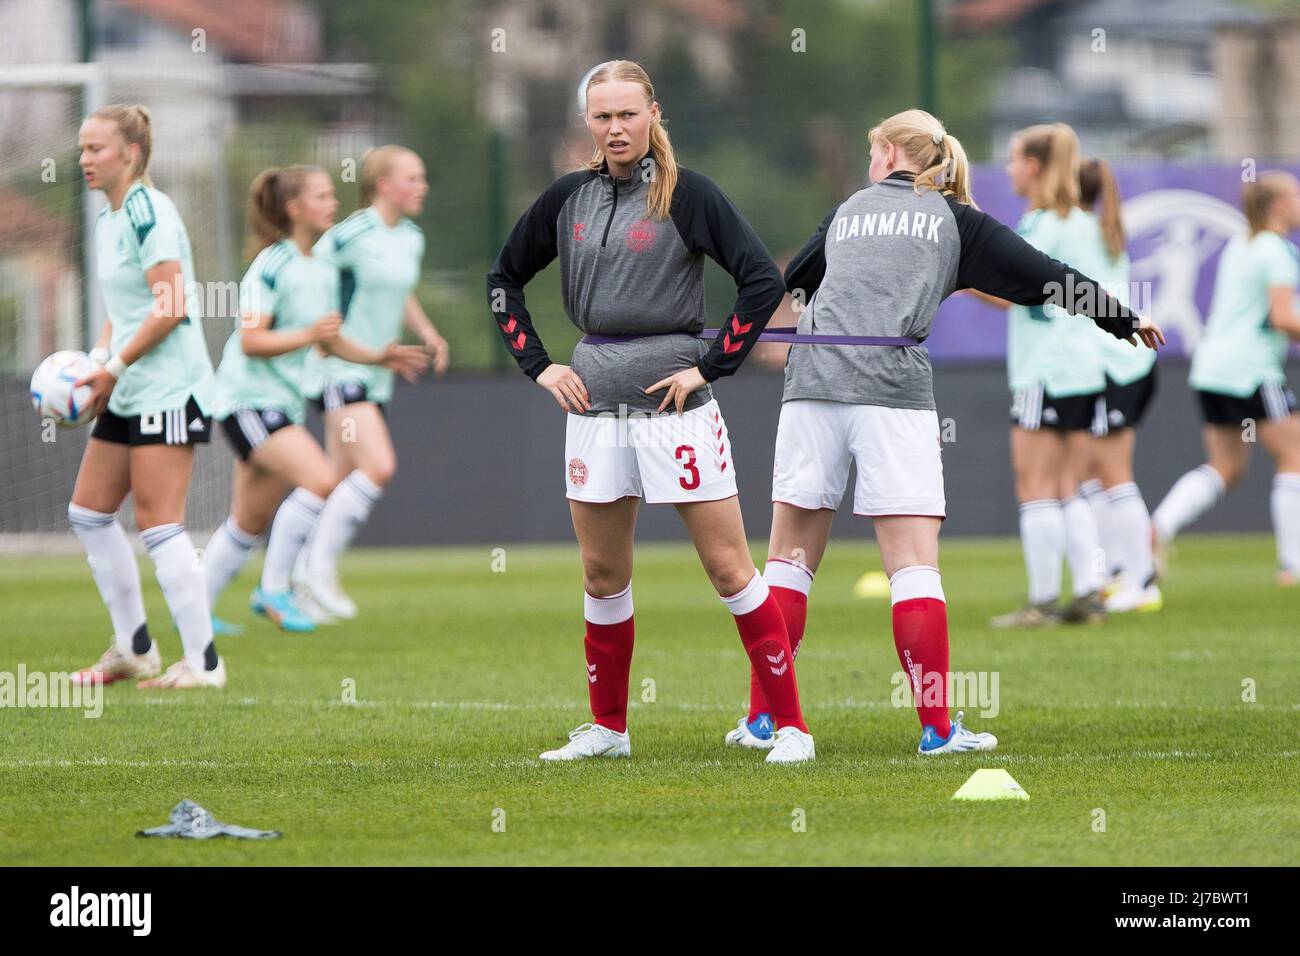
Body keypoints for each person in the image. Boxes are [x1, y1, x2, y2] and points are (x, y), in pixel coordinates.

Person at [728, 109, 1163, 753]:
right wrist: (1122, 318)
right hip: (892, 395)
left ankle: (763, 719)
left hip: (810, 389)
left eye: (870, 150)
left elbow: (784, 287)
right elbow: (1049, 278)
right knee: (911, 567)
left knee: (788, 562)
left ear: (885, 155)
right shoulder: (956, 221)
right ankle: (936, 730)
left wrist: (714, 357)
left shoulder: (848, 209)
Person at [487, 59, 814, 764]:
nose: (615, 127)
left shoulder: (688, 194)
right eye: (602, 116)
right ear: (589, 123)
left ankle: (790, 727)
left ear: (653, 114)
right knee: (602, 576)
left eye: (627, 114)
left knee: (730, 569)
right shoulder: (568, 197)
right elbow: (502, 280)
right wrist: (541, 366)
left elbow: (762, 282)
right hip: (594, 407)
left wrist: (709, 366)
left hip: (678, 411)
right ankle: (609, 729)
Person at [202, 166, 429, 633]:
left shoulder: (322, 268)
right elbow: (251, 340)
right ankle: (275, 589)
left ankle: (195, 610)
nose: (333, 204)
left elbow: (328, 343)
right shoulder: (271, 264)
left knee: (247, 521)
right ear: (294, 209)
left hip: (280, 404)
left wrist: (378, 356)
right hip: (245, 400)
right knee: (321, 478)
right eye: (322, 196)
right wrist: (309, 333)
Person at [68, 104, 222, 689]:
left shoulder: (148, 209)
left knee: (160, 523)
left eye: (96, 149)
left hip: (169, 388)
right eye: (82, 149)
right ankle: (135, 649)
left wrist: (115, 368)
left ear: (130, 153)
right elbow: (124, 311)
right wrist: (97, 366)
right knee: (88, 512)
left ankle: (205, 663)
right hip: (129, 387)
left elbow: (170, 304)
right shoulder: (108, 218)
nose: (84, 159)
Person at [295, 146, 449, 622]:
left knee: (334, 479)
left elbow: (398, 290)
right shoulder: (351, 234)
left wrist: (426, 331)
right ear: (384, 185)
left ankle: (294, 583)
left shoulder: (412, 238)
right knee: (379, 466)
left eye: (423, 178)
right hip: (340, 370)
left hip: (377, 375)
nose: (421, 186)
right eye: (412, 178)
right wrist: (315, 330)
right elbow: (306, 271)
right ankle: (316, 571)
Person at [989, 123, 1113, 628]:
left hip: (1046, 369)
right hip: (1081, 367)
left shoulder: (1043, 224)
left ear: (1034, 167)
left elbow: (1010, 293)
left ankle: (1041, 602)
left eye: (1016, 159)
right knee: (1068, 485)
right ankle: (1089, 593)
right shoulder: (1081, 222)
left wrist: (959, 279)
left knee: (1034, 485)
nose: (1010, 168)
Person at [1152, 171, 1300, 585]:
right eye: (1295, 195)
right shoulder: (1276, 250)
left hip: (1212, 368)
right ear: (1277, 206)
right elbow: (1283, 317)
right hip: (1250, 370)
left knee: (1226, 467)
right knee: (1295, 458)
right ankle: (1292, 565)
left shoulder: (1242, 244)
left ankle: (1157, 528)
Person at [1074, 157, 1161, 613]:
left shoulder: (1077, 231)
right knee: (1089, 471)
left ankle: (1143, 580)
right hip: (1113, 364)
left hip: (1117, 365)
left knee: (1111, 472)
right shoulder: (1100, 228)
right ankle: (1117, 569)